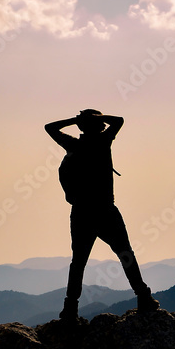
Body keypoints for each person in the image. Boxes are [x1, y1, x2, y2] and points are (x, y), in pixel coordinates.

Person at [45, 109, 159, 320]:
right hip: (105, 210)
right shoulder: (103, 141)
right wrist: (95, 119)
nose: (105, 126)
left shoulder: (74, 145)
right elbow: (119, 120)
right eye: (101, 123)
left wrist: (76, 120)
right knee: (125, 254)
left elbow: (50, 128)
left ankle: (70, 308)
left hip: (81, 212)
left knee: (78, 262)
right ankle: (144, 297)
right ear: (98, 126)